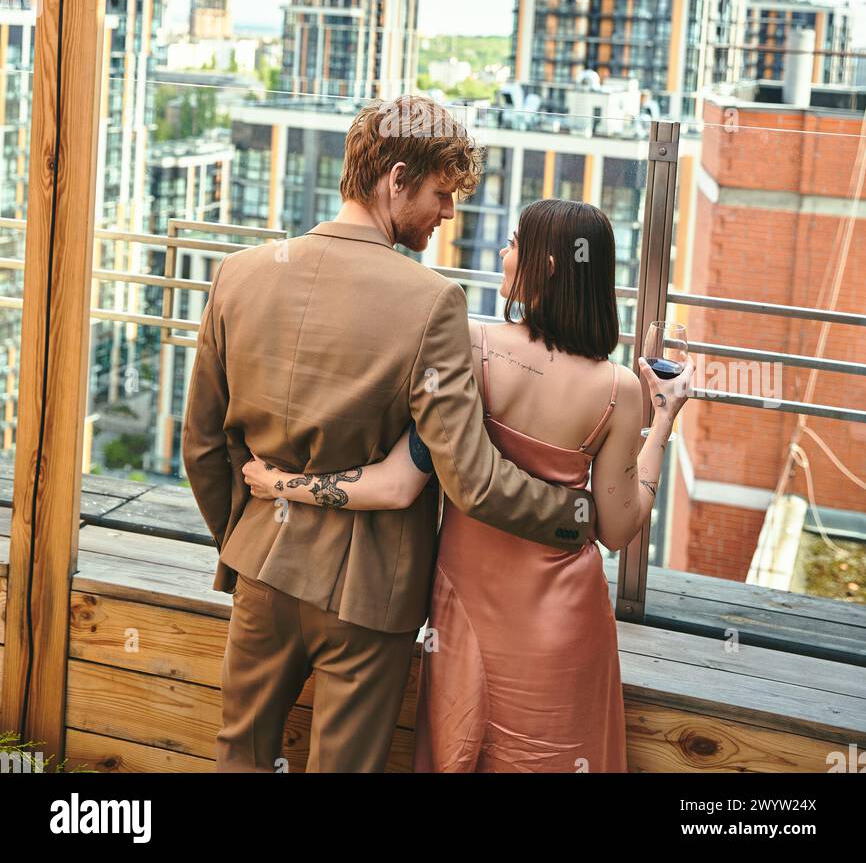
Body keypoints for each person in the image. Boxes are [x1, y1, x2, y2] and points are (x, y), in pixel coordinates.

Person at [182, 94, 599, 774]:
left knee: (239, 756)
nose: (449, 214)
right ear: (395, 177)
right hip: (368, 593)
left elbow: (202, 445)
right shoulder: (432, 302)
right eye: (440, 193)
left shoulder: (239, 272)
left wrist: (246, 533)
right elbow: (472, 478)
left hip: (261, 561)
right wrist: (578, 514)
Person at [244, 197, 693, 773]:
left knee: (460, 751)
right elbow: (618, 527)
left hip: (465, 610)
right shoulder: (617, 389)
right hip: (564, 620)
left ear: (547, 266)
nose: (504, 253)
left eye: (513, 244)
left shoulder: (471, 349)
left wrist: (284, 484)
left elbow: (399, 482)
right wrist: (662, 422)